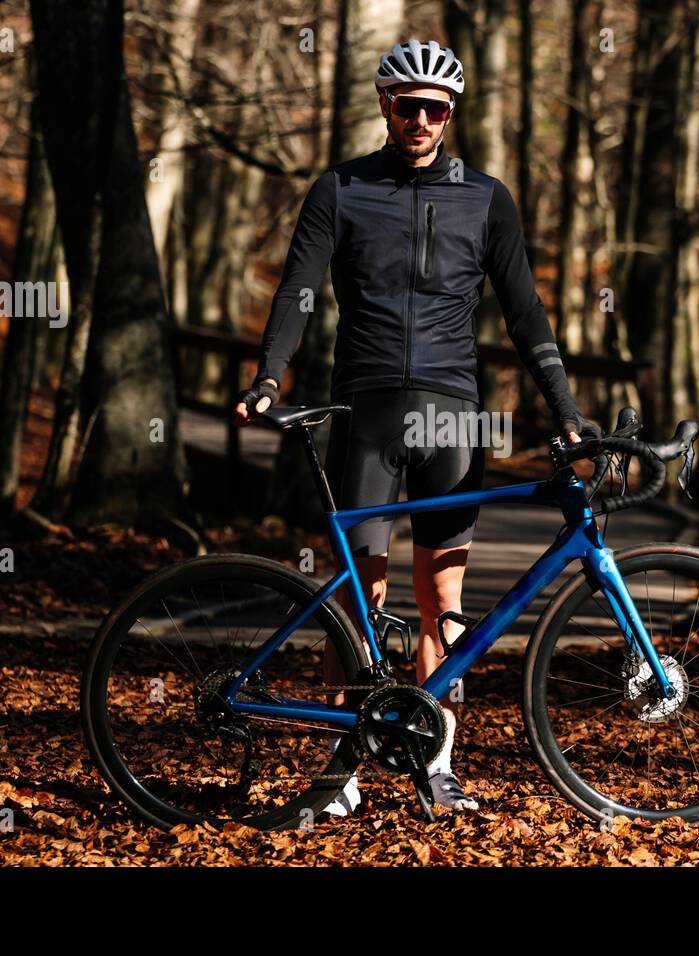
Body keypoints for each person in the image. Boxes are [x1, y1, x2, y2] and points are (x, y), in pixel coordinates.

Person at [234, 39, 596, 814]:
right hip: (363, 408)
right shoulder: (340, 189)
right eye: (409, 106)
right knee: (354, 598)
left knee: (444, 597)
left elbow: (524, 309)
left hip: (451, 415)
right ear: (385, 106)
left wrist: (564, 406)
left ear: (452, 115)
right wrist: (270, 375)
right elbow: (297, 291)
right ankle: (340, 773)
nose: (423, 119)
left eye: (437, 108)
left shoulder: (487, 198)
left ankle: (437, 765)